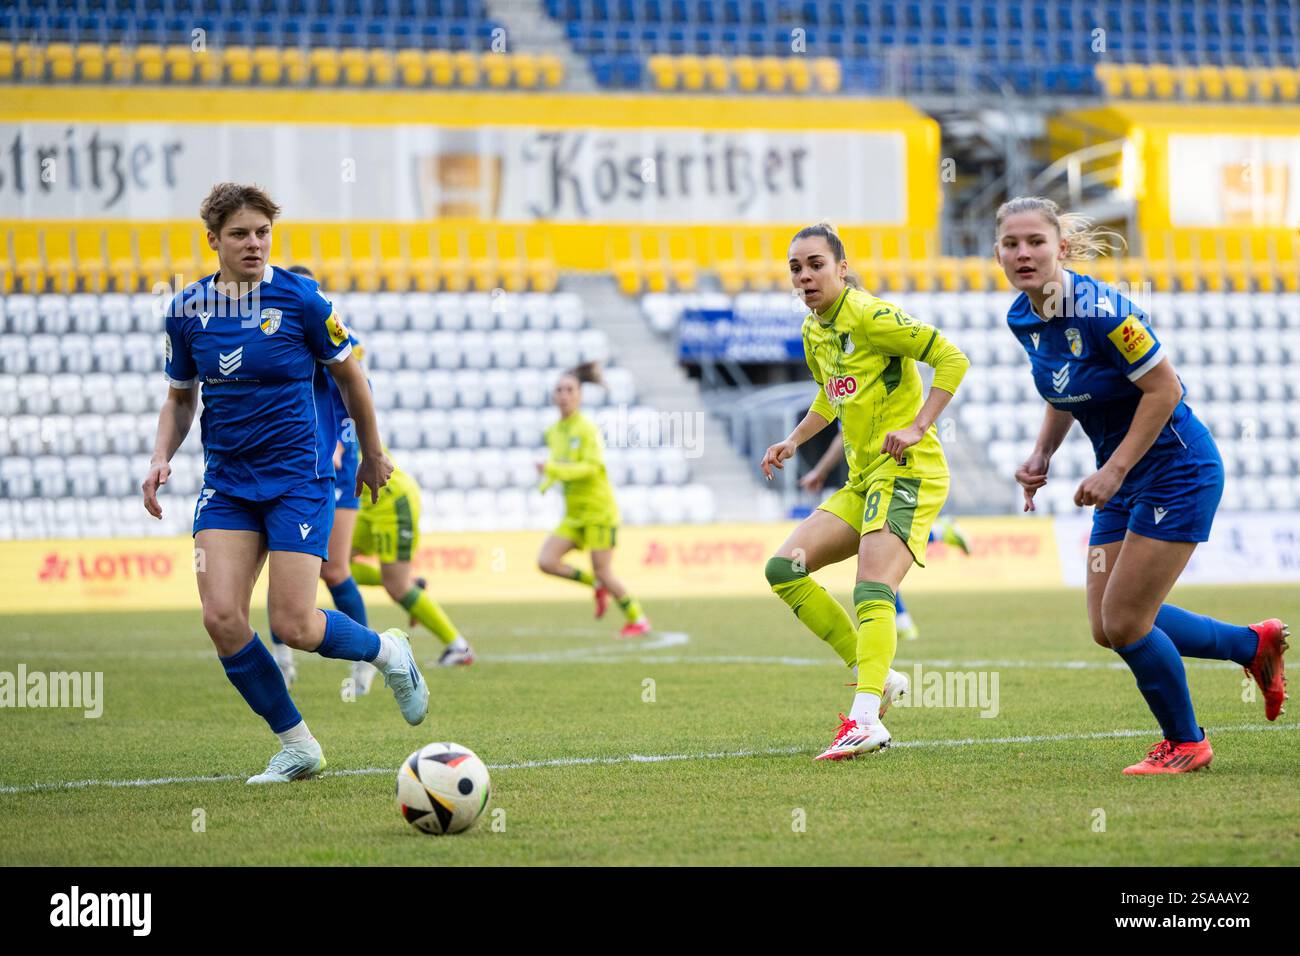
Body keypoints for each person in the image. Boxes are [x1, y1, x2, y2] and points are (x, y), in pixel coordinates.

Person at [141, 183, 428, 785]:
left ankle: (389, 651)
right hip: (228, 483)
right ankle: (298, 745)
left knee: (293, 624)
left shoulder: (301, 299)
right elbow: (179, 398)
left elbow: (354, 381)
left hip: (299, 478)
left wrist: (371, 456)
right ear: (213, 239)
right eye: (240, 233)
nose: (253, 243)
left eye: (263, 233)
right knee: (221, 617)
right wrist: (161, 455)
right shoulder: (186, 310)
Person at [996, 195, 1288, 776]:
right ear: (998, 252)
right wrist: (1041, 454)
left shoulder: (1102, 309)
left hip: (1176, 470)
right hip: (1123, 478)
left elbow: (1166, 390)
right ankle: (1251, 646)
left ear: (1062, 248)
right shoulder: (1021, 318)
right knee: (1108, 626)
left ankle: (1187, 743)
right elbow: (1063, 391)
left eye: (1035, 242)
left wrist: (1114, 470)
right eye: (1011, 244)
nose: (1023, 253)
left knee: (1129, 621)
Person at [762, 221, 969, 760]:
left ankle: (864, 717)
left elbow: (951, 357)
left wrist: (919, 425)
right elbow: (831, 396)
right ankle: (877, 675)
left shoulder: (872, 316)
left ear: (842, 267)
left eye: (815, 264)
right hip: (863, 478)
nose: (805, 276)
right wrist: (793, 439)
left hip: (908, 469)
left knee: (872, 586)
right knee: (785, 569)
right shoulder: (814, 331)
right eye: (795, 268)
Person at [274, 266, 474, 695]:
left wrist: (347, 445)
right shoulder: (282, 342)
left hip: (356, 480)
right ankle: (294, 656)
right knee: (326, 567)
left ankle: (408, 653)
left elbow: (352, 388)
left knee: (346, 570)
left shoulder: (339, 339)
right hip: (315, 474)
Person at [800, 429, 972, 640]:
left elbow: (844, 433)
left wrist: (820, 471)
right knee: (873, 556)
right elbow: (844, 434)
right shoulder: (842, 399)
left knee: (877, 552)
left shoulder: (869, 398)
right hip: (863, 478)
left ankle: (901, 620)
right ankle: (901, 619)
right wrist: (820, 471)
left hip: (890, 475)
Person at [536, 362, 650, 638]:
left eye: (569, 389)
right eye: (559, 390)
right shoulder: (553, 432)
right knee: (546, 561)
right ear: (553, 396)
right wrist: (548, 480)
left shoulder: (587, 429)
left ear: (579, 396)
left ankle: (637, 618)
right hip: (574, 514)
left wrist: (552, 470)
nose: (564, 394)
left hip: (599, 510)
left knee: (605, 570)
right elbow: (561, 464)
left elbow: (591, 467)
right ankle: (595, 586)